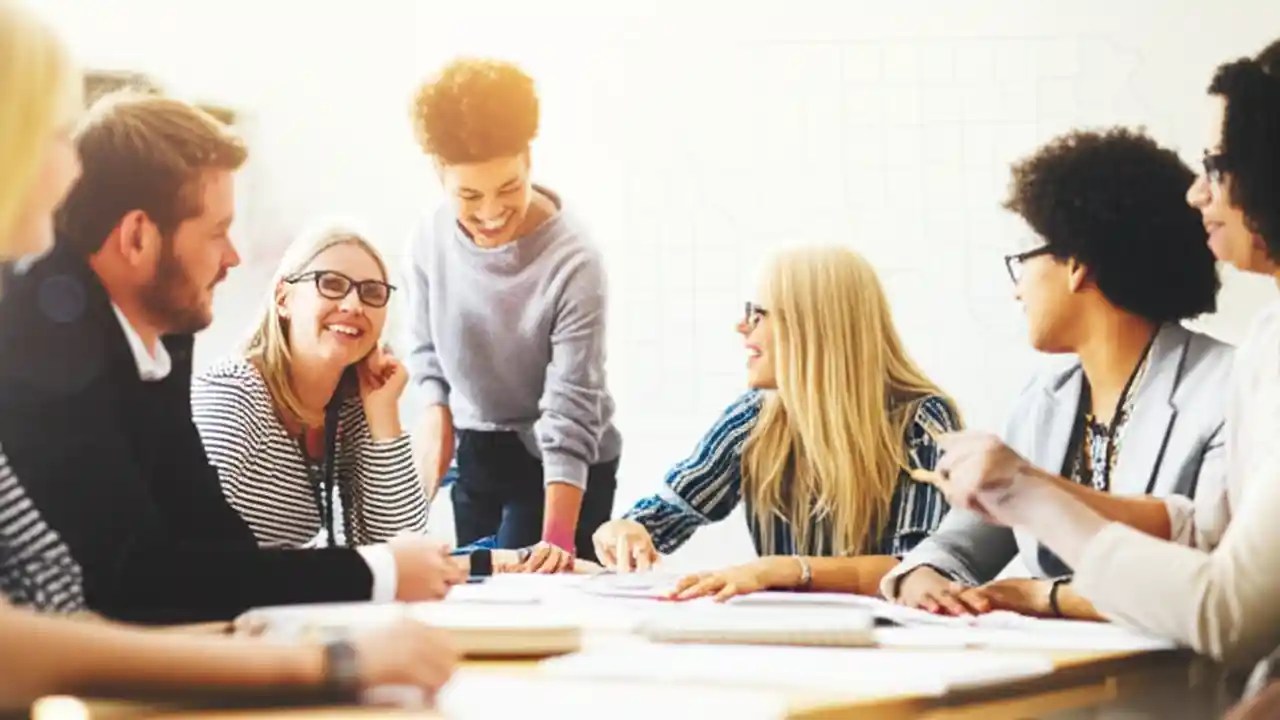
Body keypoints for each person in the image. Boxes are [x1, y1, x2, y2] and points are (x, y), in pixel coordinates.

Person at [0, 0, 455, 709]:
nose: (73, 167)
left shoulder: (160, 335)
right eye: (57, 135)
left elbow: (200, 541)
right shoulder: (42, 332)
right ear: (139, 238)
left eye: (373, 291)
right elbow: (120, 589)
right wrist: (342, 637)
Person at [930, 53, 1280, 668]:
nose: (1199, 191)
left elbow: (1229, 610)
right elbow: (1207, 529)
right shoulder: (1266, 336)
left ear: (1076, 262)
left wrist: (1031, 503)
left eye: (1217, 166)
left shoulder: (1228, 373)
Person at [881, 128, 1232, 620]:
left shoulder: (1229, 388)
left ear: (1077, 265)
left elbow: (1219, 577)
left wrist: (1044, 596)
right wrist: (924, 575)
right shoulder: (1046, 396)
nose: (1017, 289)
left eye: (1021, 261)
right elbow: (967, 539)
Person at [592, 246, 961, 599]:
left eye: (758, 314)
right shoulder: (755, 417)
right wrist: (624, 531)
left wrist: (779, 570)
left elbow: (915, 569)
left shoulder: (923, 422)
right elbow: (663, 516)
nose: (741, 326)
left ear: (811, 324)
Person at [407, 58, 621, 572]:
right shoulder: (429, 236)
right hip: (476, 454)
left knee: (537, 587)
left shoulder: (575, 260)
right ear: (440, 174)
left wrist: (557, 544)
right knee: (475, 592)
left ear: (529, 159)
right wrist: (437, 422)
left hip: (561, 462)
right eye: (469, 195)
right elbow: (425, 356)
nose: (490, 212)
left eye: (508, 187)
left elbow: (572, 407)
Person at [193, 223, 429, 549]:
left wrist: (383, 415)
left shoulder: (351, 409)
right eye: (331, 284)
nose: (353, 305)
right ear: (283, 298)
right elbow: (186, 543)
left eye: (372, 292)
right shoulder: (233, 395)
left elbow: (407, 548)